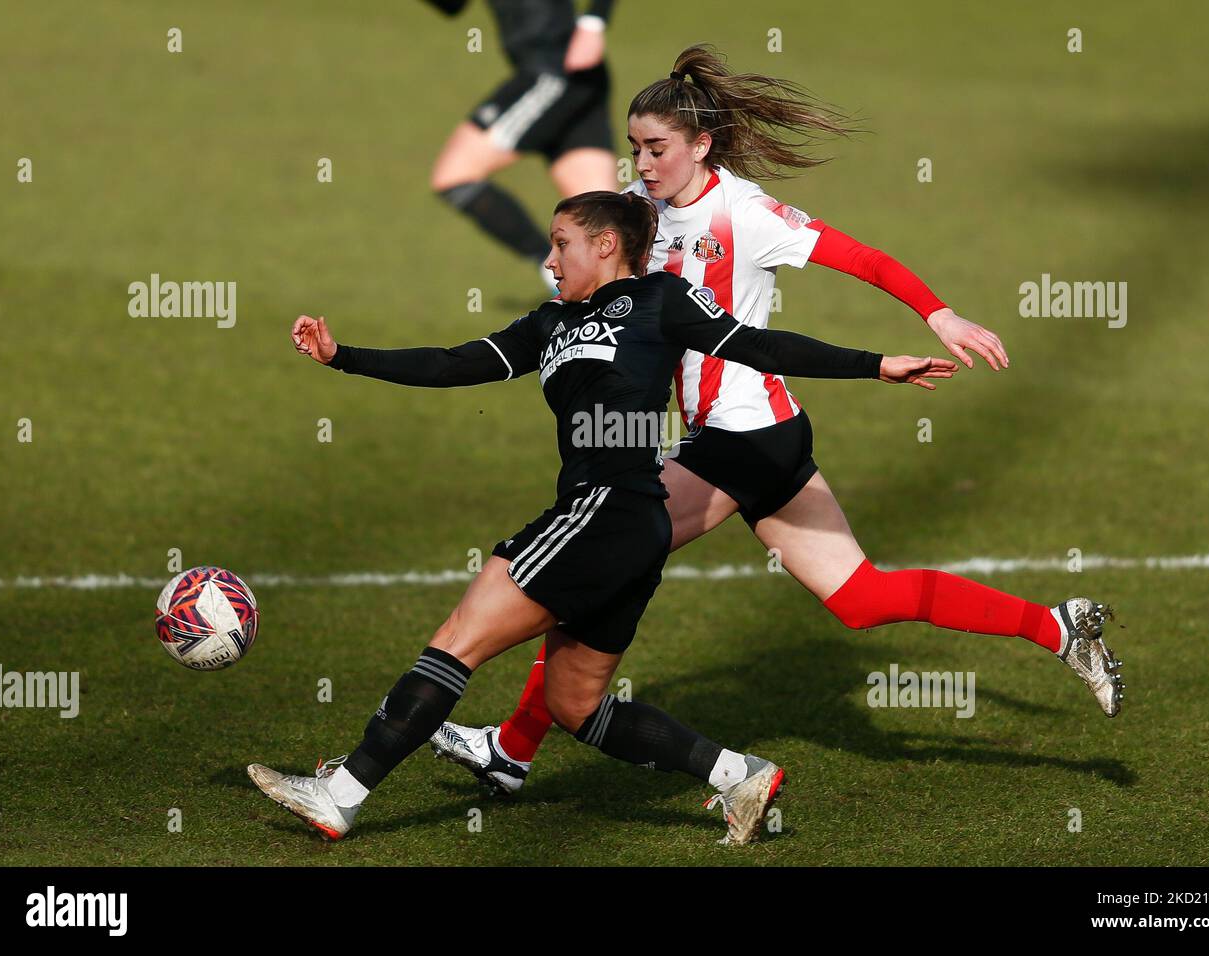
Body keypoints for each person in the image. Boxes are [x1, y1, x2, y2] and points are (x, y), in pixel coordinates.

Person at [431, 45, 1124, 799]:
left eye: (657, 148)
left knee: (603, 551)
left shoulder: (747, 212)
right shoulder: (641, 210)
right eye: (634, 147)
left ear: (700, 145)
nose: (643, 162)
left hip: (743, 437)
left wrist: (938, 313)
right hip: (762, 436)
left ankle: (512, 749)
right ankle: (1059, 627)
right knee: (861, 598)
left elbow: (861, 258)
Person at [247, 190, 956, 844]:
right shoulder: (550, 322)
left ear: (608, 244)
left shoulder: (660, 300)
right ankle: (738, 777)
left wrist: (875, 364)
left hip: (607, 509)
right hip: (624, 525)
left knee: (458, 639)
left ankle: (339, 794)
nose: (550, 260)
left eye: (562, 244)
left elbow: (759, 346)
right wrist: (343, 358)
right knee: (576, 706)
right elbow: (455, 363)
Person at [425, 0, 619, 292]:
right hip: (568, 77)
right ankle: (661, 310)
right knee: (604, 220)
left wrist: (593, 22)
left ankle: (550, 267)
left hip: (555, 71)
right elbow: (453, 6)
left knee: (455, 175)